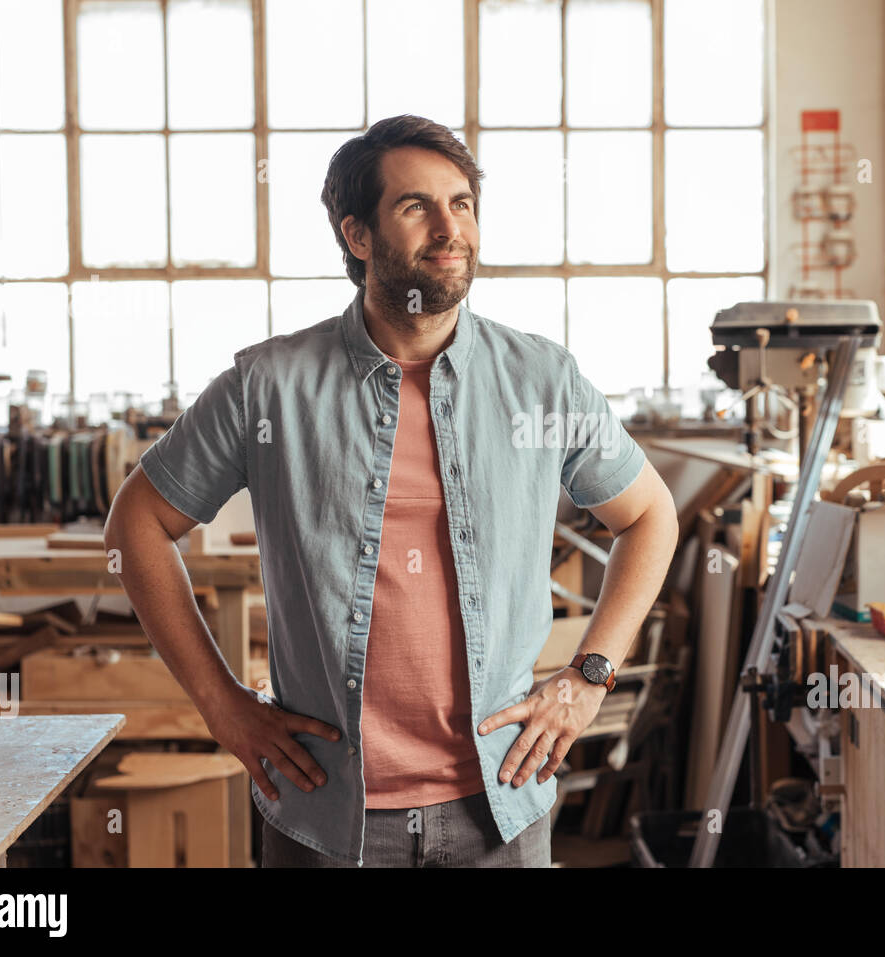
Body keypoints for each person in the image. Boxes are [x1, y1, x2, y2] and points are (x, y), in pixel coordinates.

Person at [104, 114, 679, 867]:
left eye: (462, 203)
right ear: (358, 235)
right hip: (326, 815)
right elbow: (137, 522)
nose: (450, 228)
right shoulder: (268, 387)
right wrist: (223, 705)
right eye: (417, 206)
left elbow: (649, 516)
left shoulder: (542, 380)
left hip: (500, 805)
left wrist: (589, 675)